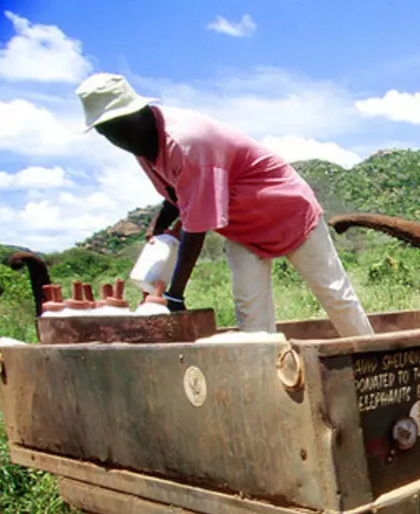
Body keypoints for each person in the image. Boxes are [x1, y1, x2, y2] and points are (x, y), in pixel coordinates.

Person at [75, 73, 374, 337]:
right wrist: (160, 223)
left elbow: (196, 227)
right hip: (244, 230)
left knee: (335, 295)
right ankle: (268, 386)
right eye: (107, 134)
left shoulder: (186, 141)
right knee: (251, 314)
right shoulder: (142, 146)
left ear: (137, 113)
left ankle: (373, 361)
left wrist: (175, 296)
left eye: (120, 129)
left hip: (287, 212)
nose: (118, 140)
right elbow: (178, 193)